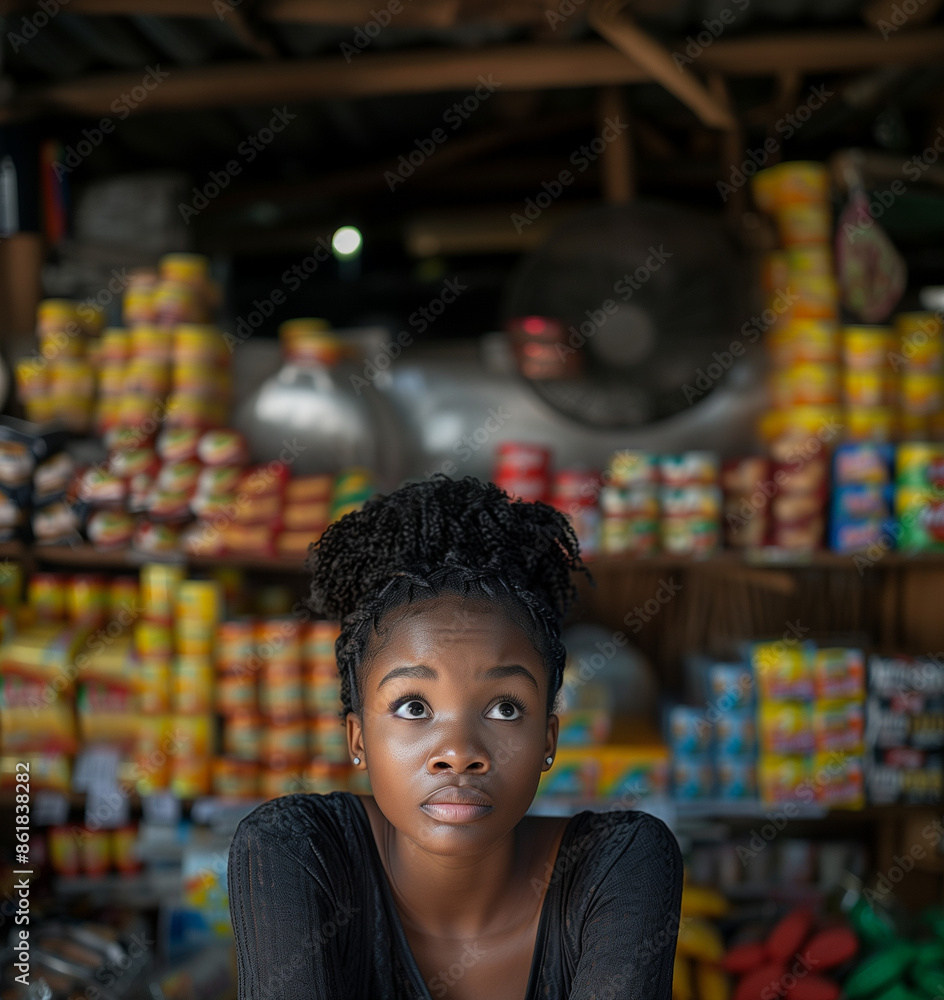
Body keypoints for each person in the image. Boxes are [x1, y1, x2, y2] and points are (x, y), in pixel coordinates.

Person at [227, 473, 683, 1000]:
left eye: (506, 708)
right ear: (357, 739)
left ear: (548, 739)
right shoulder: (294, 850)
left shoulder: (620, 865)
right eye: (414, 707)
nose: (459, 754)